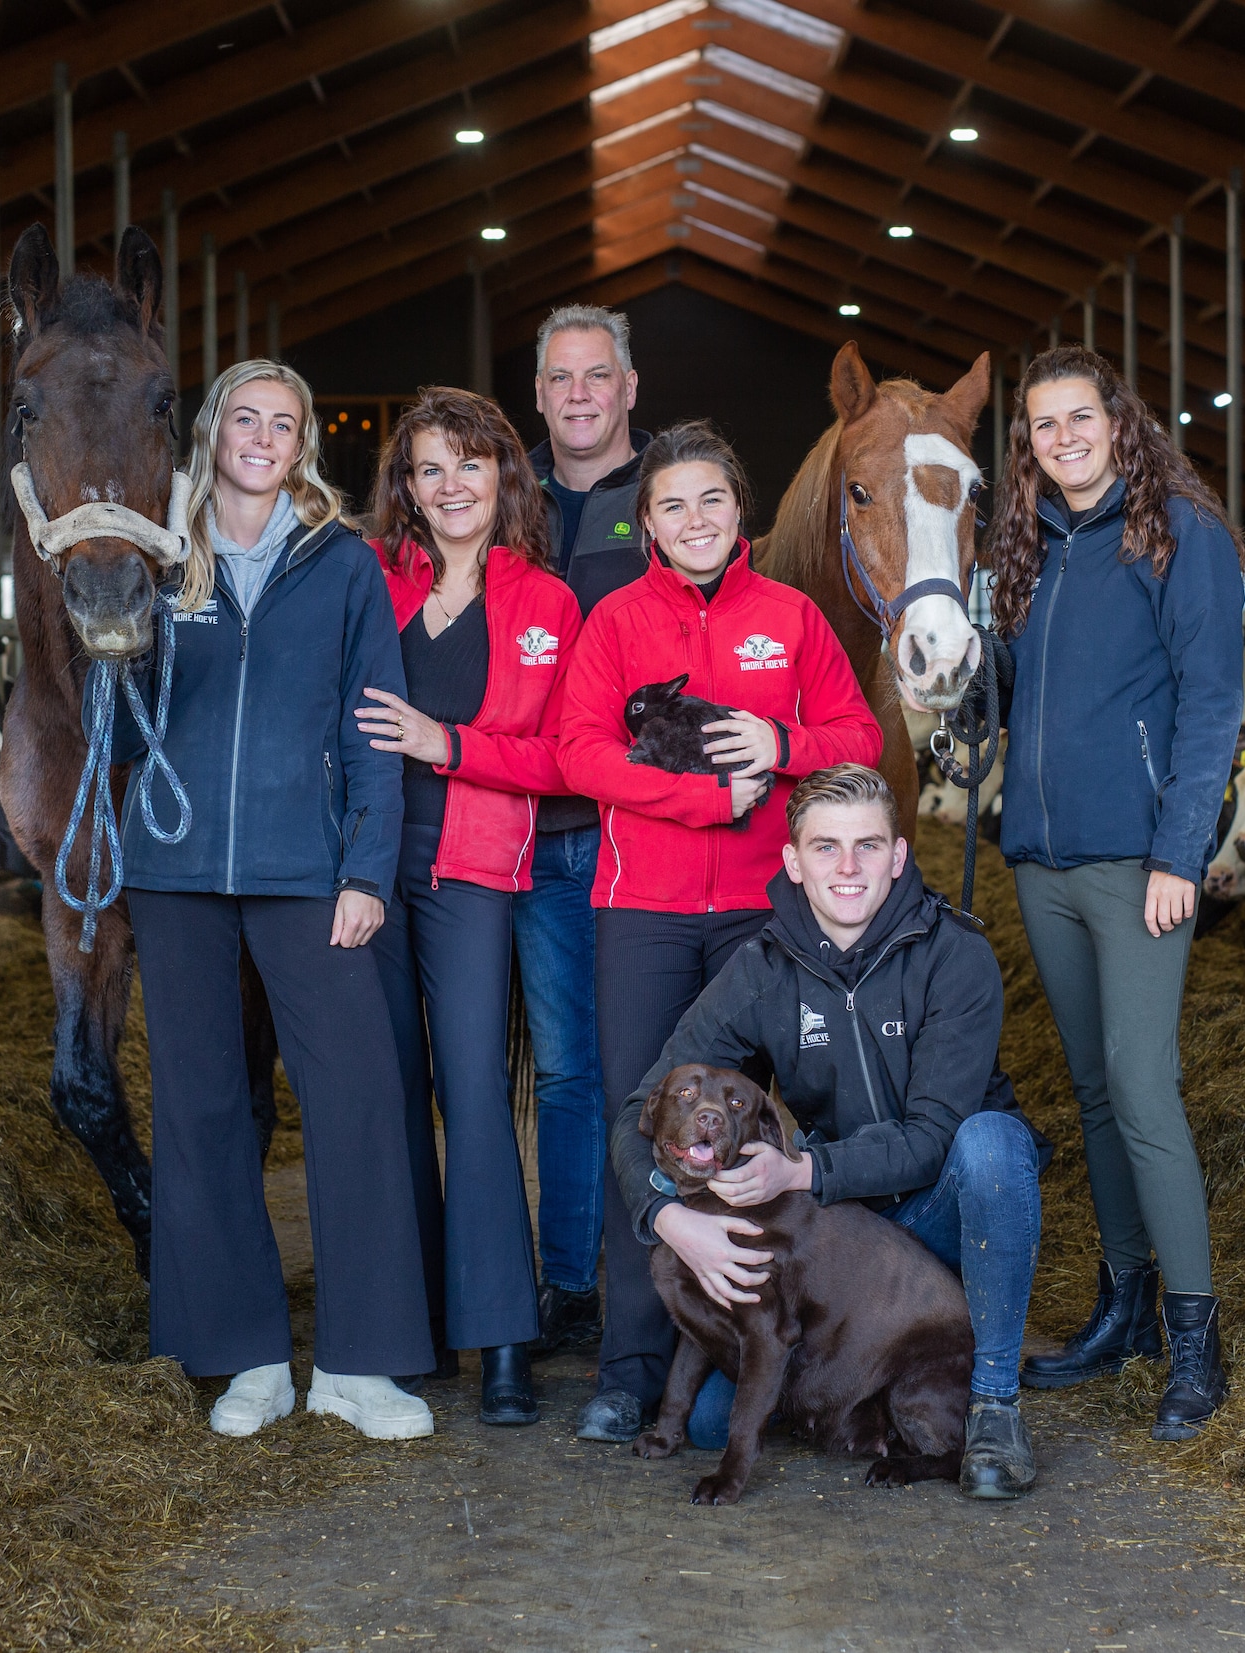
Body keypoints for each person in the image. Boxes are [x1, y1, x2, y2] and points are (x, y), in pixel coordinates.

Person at [103, 359, 435, 1442]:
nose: (260, 437)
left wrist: (363, 873)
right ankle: (242, 1354)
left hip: (308, 870)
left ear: (301, 446)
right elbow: (122, 717)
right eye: (243, 419)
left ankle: (359, 1363)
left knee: (356, 1102)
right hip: (175, 866)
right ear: (213, 434)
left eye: (281, 424)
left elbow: (375, 729)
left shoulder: (340, 566)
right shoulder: (159, 558)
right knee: (200, 1113)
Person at [554, 420, 883, 1444]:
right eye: (671, 506)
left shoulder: (787, 617)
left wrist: (781, 741)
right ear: (645, 523)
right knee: (641, 1120)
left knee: (762, 1132)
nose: (693, 521)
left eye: (710, 501)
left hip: (755, 917)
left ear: (737, 511)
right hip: (642, 915)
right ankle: (629, 1368)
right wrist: (699, 799)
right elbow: (578, 754)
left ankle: (780, 1346)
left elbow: (859, 737)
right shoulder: (613, 622)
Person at [608, 764, 1044, 1498]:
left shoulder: (956, 955)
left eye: (868, 846)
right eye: (826, 847)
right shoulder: (762, 968)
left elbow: (935, 1135)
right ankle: (864, 1396)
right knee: (715, 1422)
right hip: (838, 1247)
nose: (848, 868)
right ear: (793, 860)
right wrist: (667, 1215)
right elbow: (640, 1107)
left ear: (899, 855)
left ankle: (995, 1399)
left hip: (937, 1223)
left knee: (994, 1142)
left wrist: (799, 1171)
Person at [985, 346, 1245, 1441]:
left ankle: (1196, 1334)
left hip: (1137, 867)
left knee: (1142, 1087)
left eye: (1077, 418)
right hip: (1041, 863)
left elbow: (1209, 703)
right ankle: (1123, 1305)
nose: (1061, 439)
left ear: (1116, 421)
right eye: (1042, 427)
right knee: (1092, 1092)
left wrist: (1180, 856)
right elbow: (1011, 692)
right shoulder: (1027, 550)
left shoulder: (1180, 538)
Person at [354, 386, 583, 1427]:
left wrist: (446, 745)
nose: (451, 487)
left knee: (475, 1092)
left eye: (470, 465)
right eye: (428, 469)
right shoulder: (370, 578)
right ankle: (410, 1330)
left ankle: (500, 1337)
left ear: (504, 476)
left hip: (473, 872)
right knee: (391, 1091)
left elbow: (564, 759)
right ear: (405, 487)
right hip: (365, 866)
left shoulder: (544, 603)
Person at [516, 304, 656, 1356]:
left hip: (644, 827)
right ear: (539, 392)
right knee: (566, 1068)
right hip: (534, 828)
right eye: (559, 377)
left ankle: (659, 1279)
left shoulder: (666, 493)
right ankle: (568, 1281)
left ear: (626, 388)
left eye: (594, 376)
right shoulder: (502, 492)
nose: (577, 394)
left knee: (653, 1062)